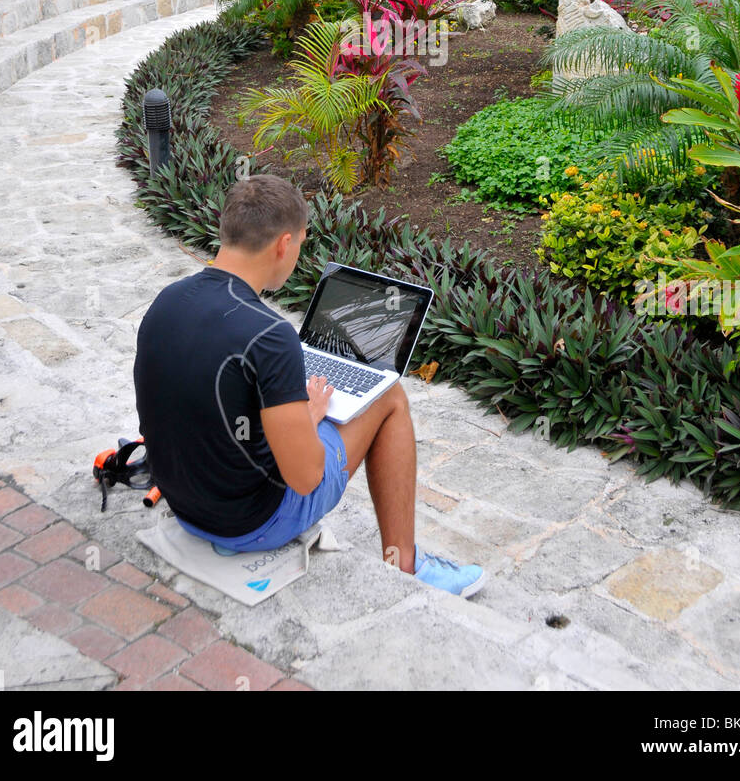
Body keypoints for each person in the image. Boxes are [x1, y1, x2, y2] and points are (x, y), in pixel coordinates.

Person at [133, 175, 485, 597]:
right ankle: (404, 565)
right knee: (389, 396)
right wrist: (305, 416)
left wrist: (289, 410)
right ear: (284, 244)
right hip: (251, 525)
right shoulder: (270, 336)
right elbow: (305, 478)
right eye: (299, 243)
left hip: (186, 508)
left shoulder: (167, 300)